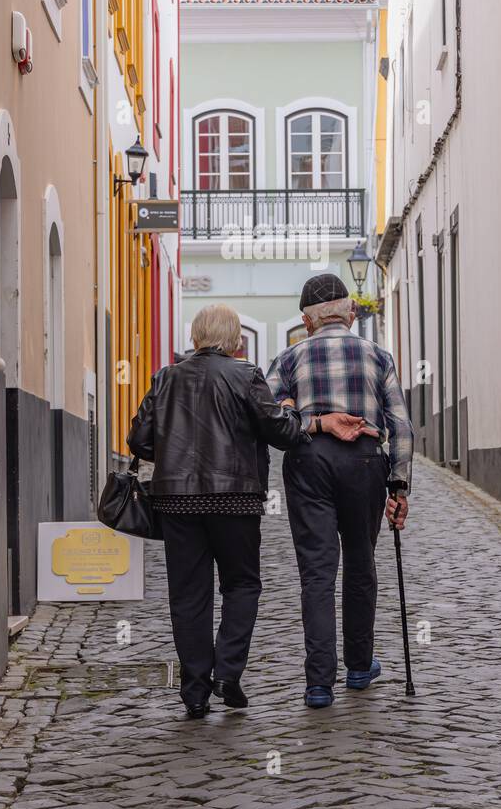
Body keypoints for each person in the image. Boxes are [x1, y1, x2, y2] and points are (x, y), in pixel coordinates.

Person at [126, 303, 364, 719]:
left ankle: (196, 691)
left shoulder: (165, 378)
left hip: (176, 503)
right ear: (235, 339)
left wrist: (173, 455)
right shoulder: (245, 374)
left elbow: (139, 439)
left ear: (197, 337)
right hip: (234, 500)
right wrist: (299, 415)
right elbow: (280, 431)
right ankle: (228, 672)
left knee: (188, 595)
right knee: (242, 586)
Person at [267, 273, 414, 709]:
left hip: (309, 459)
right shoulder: (378, 356)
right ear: (351, 313)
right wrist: (400, 485)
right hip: (365, 461)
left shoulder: (289, 358)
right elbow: (401, 426)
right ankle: (358, 665)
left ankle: (318, 684)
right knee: (360, 563)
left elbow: (268, 414)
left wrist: (298, 411)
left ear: (306, 321)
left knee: (317, 572)